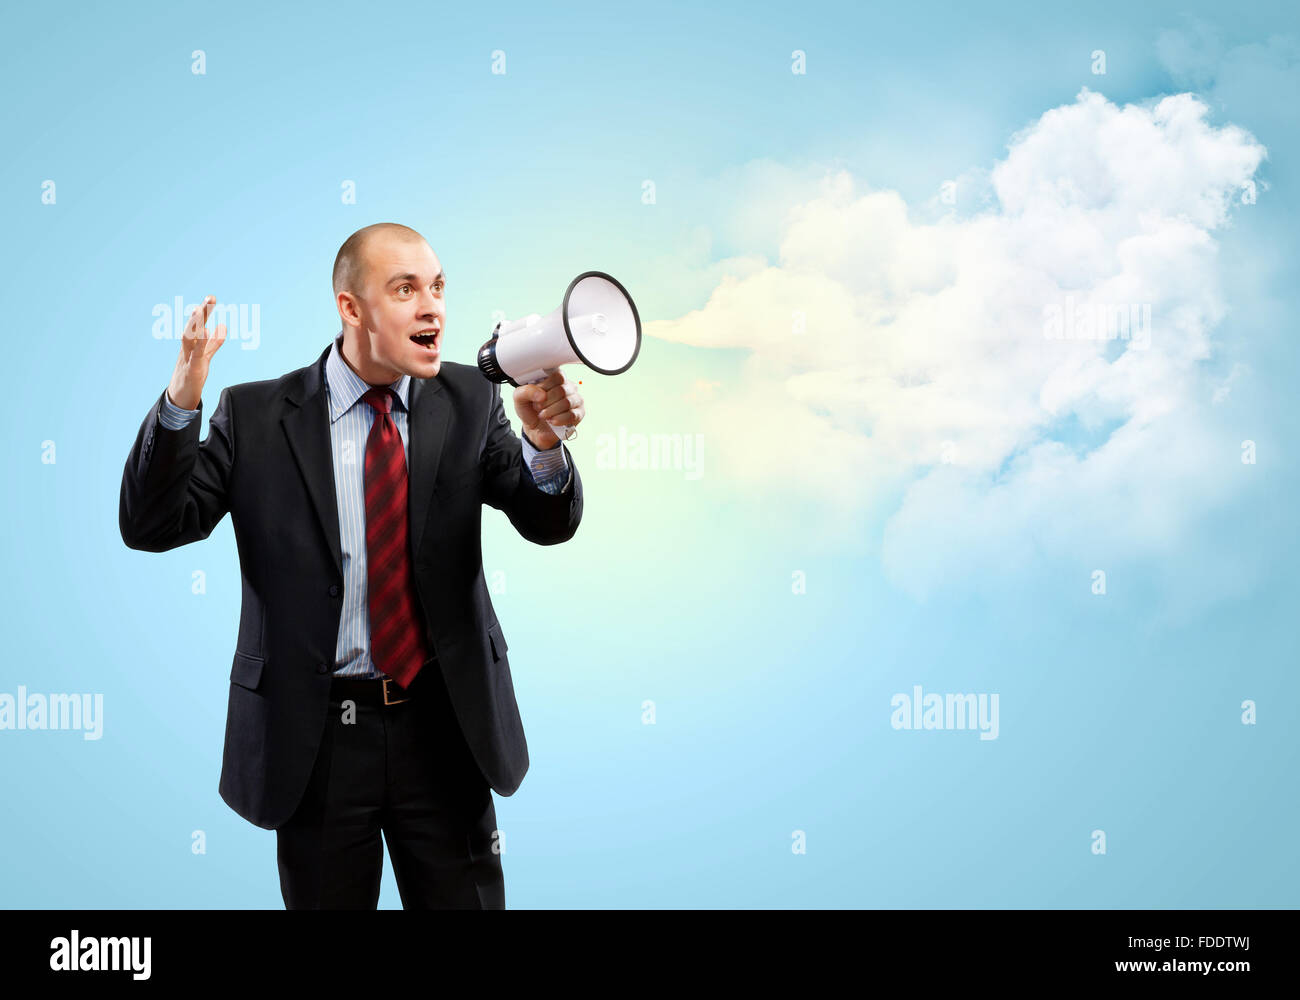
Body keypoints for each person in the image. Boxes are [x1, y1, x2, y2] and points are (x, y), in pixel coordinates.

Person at [119, 222, 585, 908]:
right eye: (406, 290)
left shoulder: (471, 400)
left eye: (438, 287)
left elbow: (547, 522)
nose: (432, 307)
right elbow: (153, 526)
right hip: (317, 743)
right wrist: (182, 400)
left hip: (446, 731)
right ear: (351, 307)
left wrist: (542, 443)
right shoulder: (254, 416)